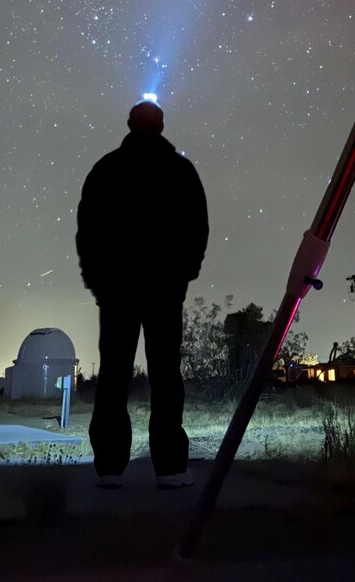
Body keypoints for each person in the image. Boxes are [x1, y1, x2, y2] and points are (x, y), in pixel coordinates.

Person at [76, 99, 209, 488]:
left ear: (130, 125)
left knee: (114, 375)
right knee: (166, 376)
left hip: (117, 289)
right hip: (165, 288)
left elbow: (88, 232)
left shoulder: (106, 169)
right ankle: (169, 467)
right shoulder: (180, 170)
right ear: (161, 126)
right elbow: (197, 227)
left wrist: (97, 281)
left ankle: (110, 467)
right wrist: (185, 273)